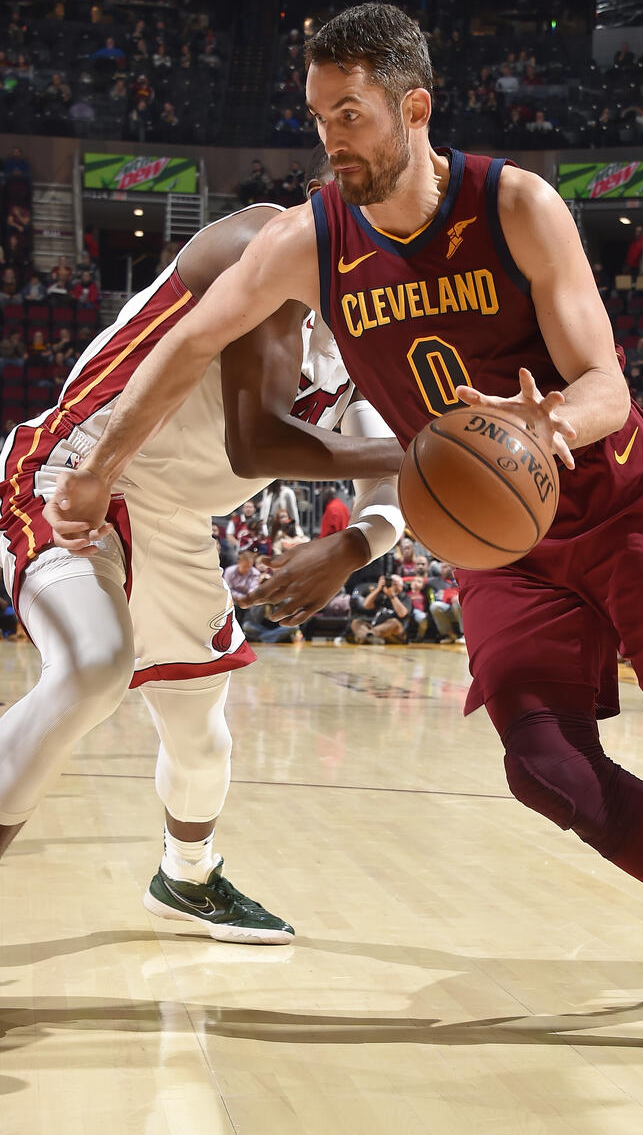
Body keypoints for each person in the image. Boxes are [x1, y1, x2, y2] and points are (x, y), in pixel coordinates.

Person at [48, 2, 643, 1072]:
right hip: (499, 542)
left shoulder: (518, 205)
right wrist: (104, 462)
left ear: (413, 106)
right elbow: (192, 337)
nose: (330, 139)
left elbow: (604, 382)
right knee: (547, 769)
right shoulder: (311, 236)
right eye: (315, 118)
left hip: (617, 504)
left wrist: (540, 427)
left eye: (348, 114)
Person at [1, 202, 403, 940]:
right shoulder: (262, 248)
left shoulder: (370, 348)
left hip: (179, 522)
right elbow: (258, 445)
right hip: (78, 472)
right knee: (93, 668)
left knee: (202, 737)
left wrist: (354, 547)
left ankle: (187, 879)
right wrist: (439, 450)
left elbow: (387, 488)